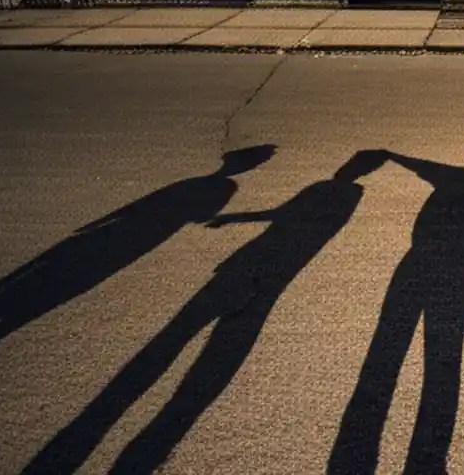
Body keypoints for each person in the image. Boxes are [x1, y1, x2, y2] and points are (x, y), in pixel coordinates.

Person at [25, 149, 382, 474]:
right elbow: (287, 219)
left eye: (355, 165)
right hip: (260, 266)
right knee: (192, 342)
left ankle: (146, 425)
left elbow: (295, 225)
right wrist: (240, 220)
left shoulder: (342, 193)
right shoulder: (337, 191)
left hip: (260, 268)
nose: (348, 167)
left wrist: (254, 242)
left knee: (189, 342)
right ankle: (152, 432)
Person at [0, 145, 276, 401]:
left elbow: (122, 213)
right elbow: (182, 218)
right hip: (119, 251)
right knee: (10, 317)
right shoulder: (222, 189)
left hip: (104, 244)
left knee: (2, 308)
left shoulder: (207, 185)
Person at [330, 149, 464, 475]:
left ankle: (365, 432)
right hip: (455, 266)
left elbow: (418, 166)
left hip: (421, 261)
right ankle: (428, 455)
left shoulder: (452, 176)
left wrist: (388, 155)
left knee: (390, 342)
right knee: (443, 354)